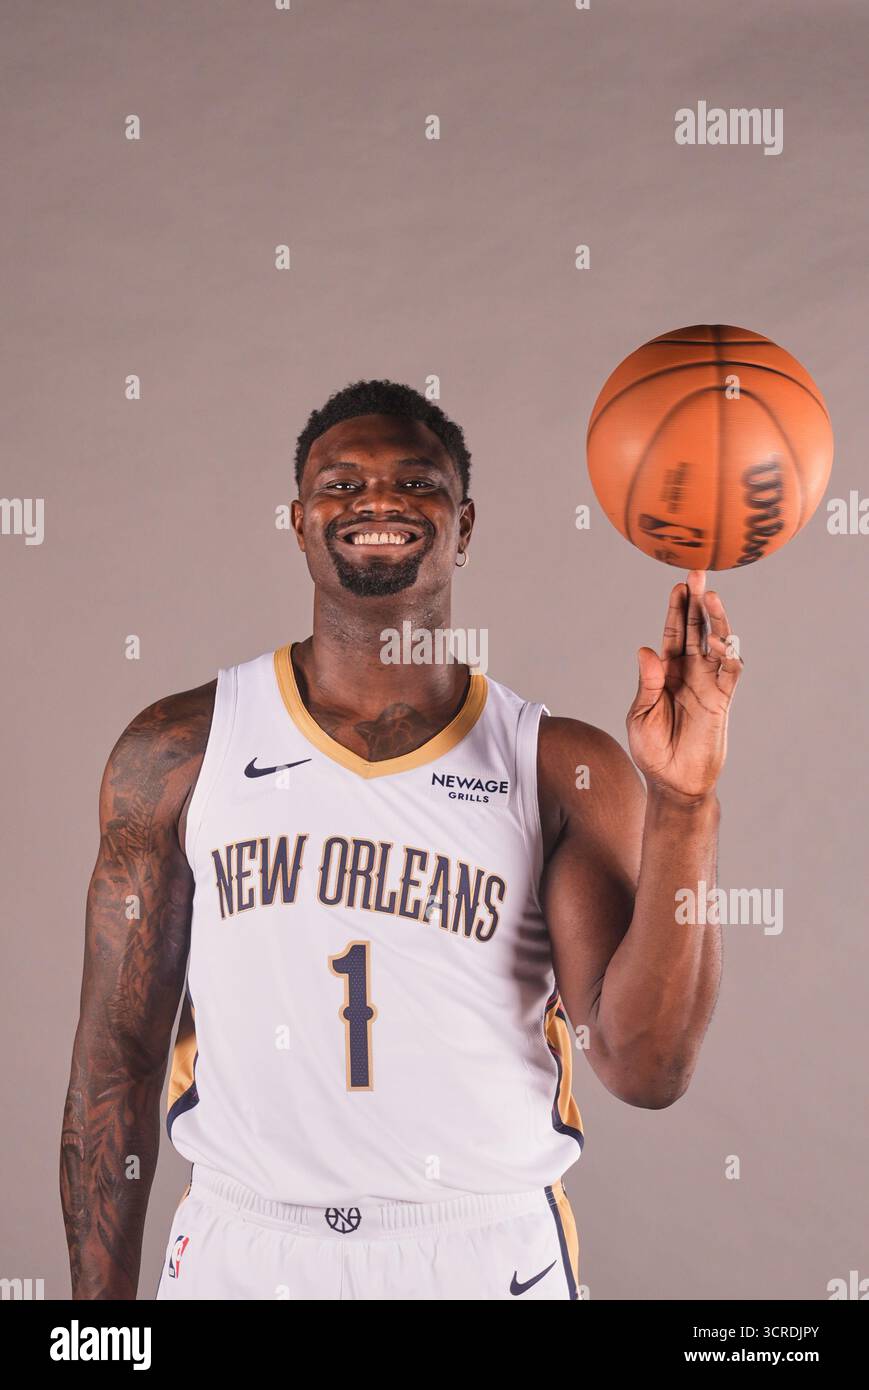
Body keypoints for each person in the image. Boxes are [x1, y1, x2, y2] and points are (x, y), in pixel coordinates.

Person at [60, 379, 742, 1300]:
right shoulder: (177, 749)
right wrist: (97, 1330)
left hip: (480, 1249)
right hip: (244, 1244)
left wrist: (685, 800)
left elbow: (647, 1066)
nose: (376, 499)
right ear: (299, 523)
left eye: (415, 482)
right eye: (340, 485)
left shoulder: (558, 766)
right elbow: (115, 1065)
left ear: (463, 526)